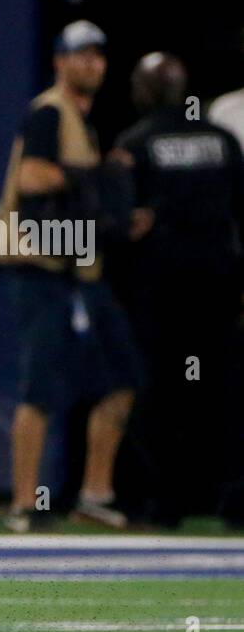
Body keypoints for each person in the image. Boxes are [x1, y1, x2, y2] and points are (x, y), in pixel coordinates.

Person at [0, 20, 142, 532]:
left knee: (121, 377)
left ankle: (95, 492)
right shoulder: (49, 111)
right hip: (41, 268)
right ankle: (22, 503)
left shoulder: (83, 120)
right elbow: (34, 177)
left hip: (79, 271)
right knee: (39, 387)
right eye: (80, 55)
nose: (91, 63)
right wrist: (98, 176)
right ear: (60, 60)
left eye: (98, 55)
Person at [113, 52, 244, 526]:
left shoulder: (136, 143)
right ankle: (233, 498)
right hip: (219, 289)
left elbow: (122, 224)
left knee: (159, 394)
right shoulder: (222, 140)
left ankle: (163, 502)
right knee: (226, 390)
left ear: (147, 90)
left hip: (161, 293)